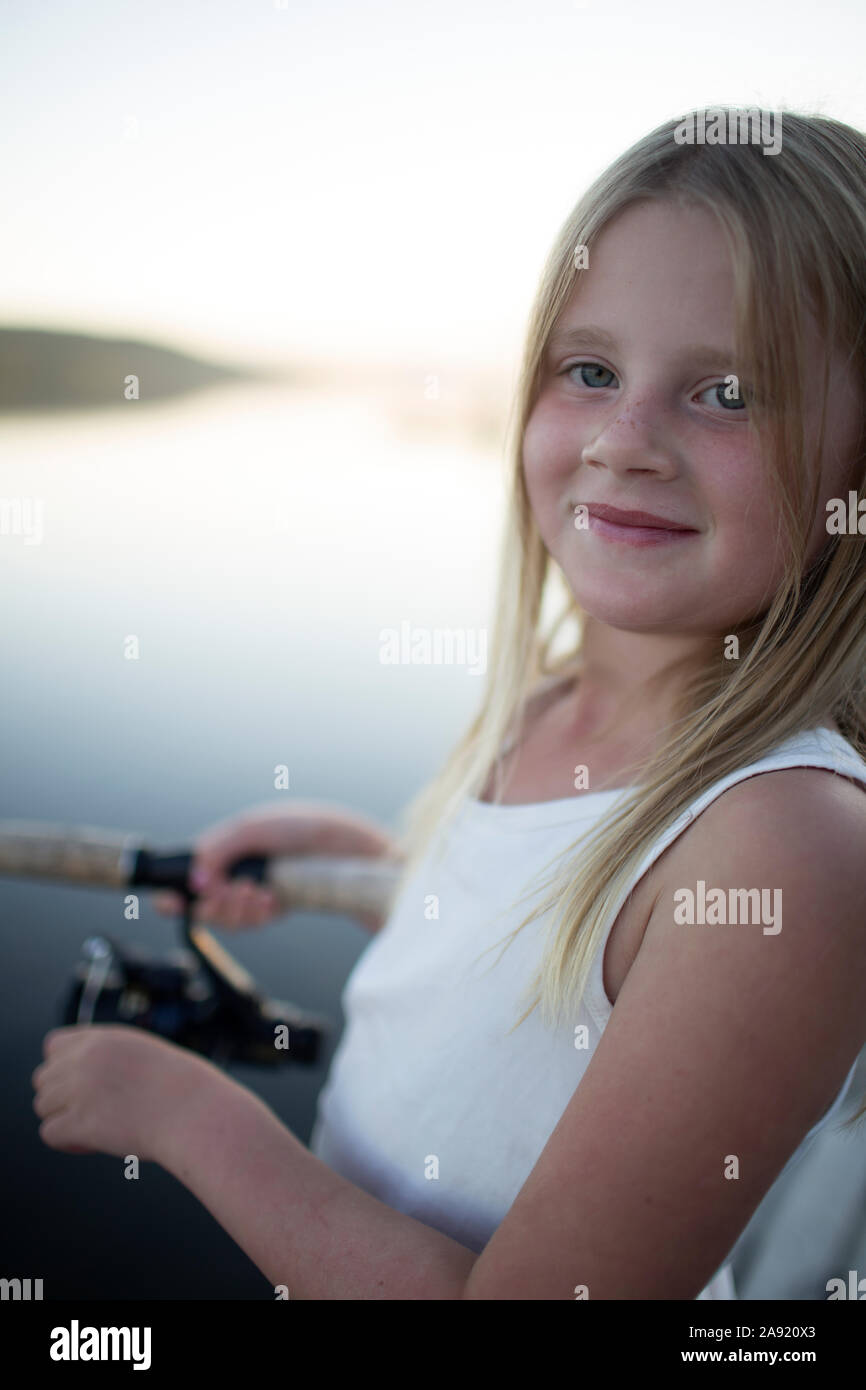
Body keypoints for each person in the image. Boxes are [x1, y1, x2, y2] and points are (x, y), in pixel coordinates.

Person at [33, 105, 866, 1300]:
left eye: (729, 393)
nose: (622, 439)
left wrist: (190, 1120)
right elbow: (554, 966)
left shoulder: (786, 848)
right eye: (588, 371)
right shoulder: (556, 701)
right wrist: (383, 870)